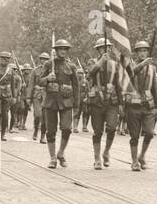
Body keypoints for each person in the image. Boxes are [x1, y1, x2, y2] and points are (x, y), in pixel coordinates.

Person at [35, 38, 81, 168]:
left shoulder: (71, 66)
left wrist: (77, 104)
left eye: (65, 49)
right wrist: (48, 78)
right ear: (56, 51)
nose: (63, 51)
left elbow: (76, 87)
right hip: (50, 102)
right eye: (60, 49)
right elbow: (39, 81)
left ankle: (61, 153)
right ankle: (53, 158)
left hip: (66, 102)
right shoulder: (49, 64)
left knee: (67, 129)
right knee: (51, 131)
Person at [84, 37, 124, 170]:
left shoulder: (115, 64)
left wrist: (121, 103)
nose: (105, 50)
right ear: (98, 50)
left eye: (107, 47)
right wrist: (101, 61)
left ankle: (106, 151)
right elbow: (90, 73)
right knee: (97, 131)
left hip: (111, 101)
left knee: (112, 128)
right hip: (96, 101)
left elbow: (118, 85)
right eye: (102, 48)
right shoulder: (92, 62)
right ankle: (97, 158)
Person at [122, 40, 157, 170]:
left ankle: (142, 156)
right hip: (133, 105)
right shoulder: (130, 65)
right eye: (140, 51)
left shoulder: (152, 68)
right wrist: (143, 64)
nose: (143, 53)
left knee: (149, 133)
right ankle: (134, 161)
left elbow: (155, 89)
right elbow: (130, 73)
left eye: (145, 51)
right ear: (136, 53)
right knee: (134, 136)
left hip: (147, 105)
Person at [30, 51, 50, 143]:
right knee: (38, 115)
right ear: (40, 60)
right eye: (42, 59)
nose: (44, 61)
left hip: (47, 95)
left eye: (46, 59)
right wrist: (28, 98)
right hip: (37, 95)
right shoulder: (35, 70)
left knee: (45, 117)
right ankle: (35, 131)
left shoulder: (51, 71)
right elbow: (31, 85)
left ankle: (42, 136)